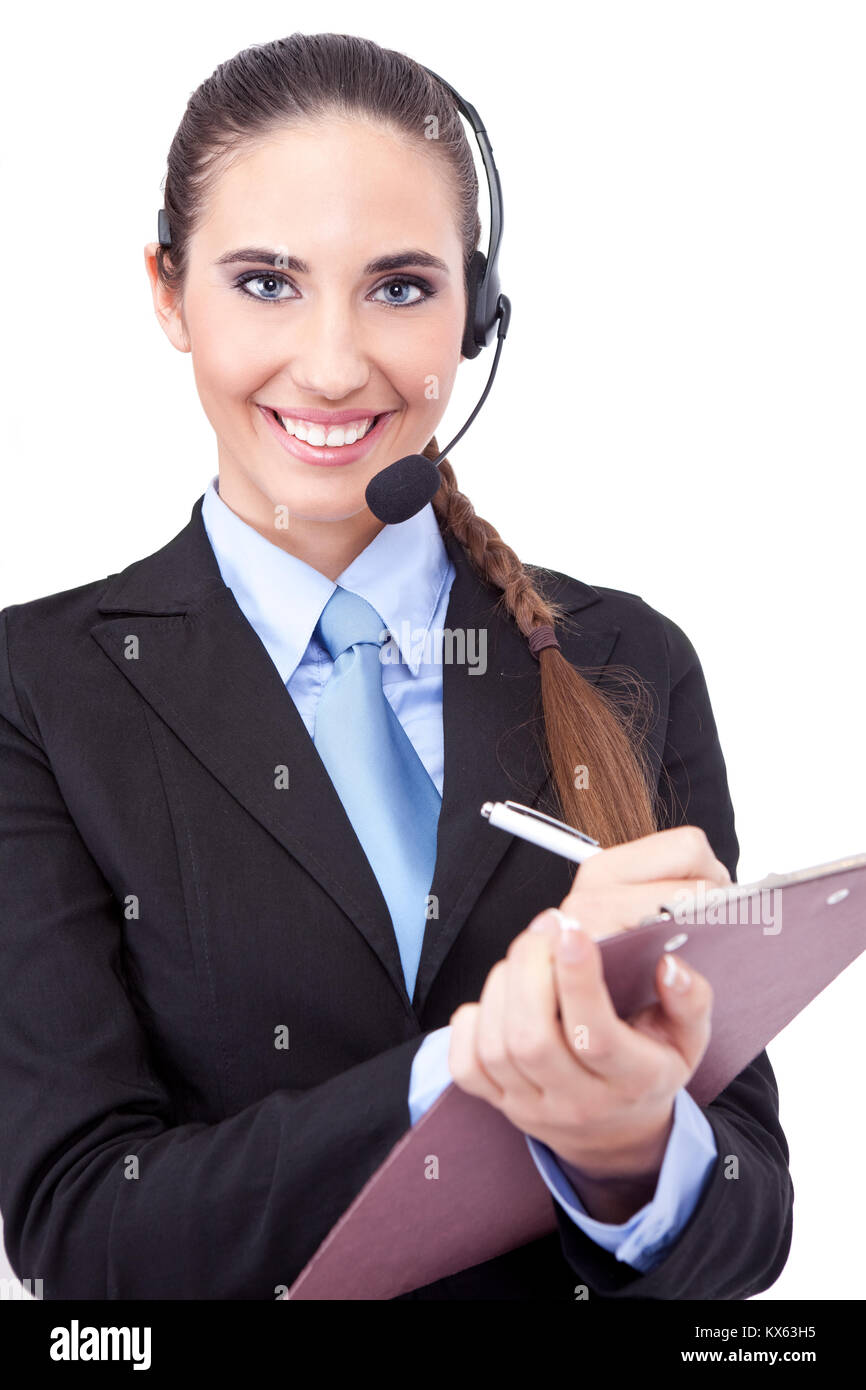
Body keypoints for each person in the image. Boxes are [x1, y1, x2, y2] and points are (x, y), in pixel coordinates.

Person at [0, 31, 792, 1300]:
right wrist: (473, 1070)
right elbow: (83, 1232)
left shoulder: (625, 661)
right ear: (166, 290)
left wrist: (632, 1150)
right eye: (265, 282)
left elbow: (748, 1226)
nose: (330, 363)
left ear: (477, 315)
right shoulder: (37, 690)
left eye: (399, 287)